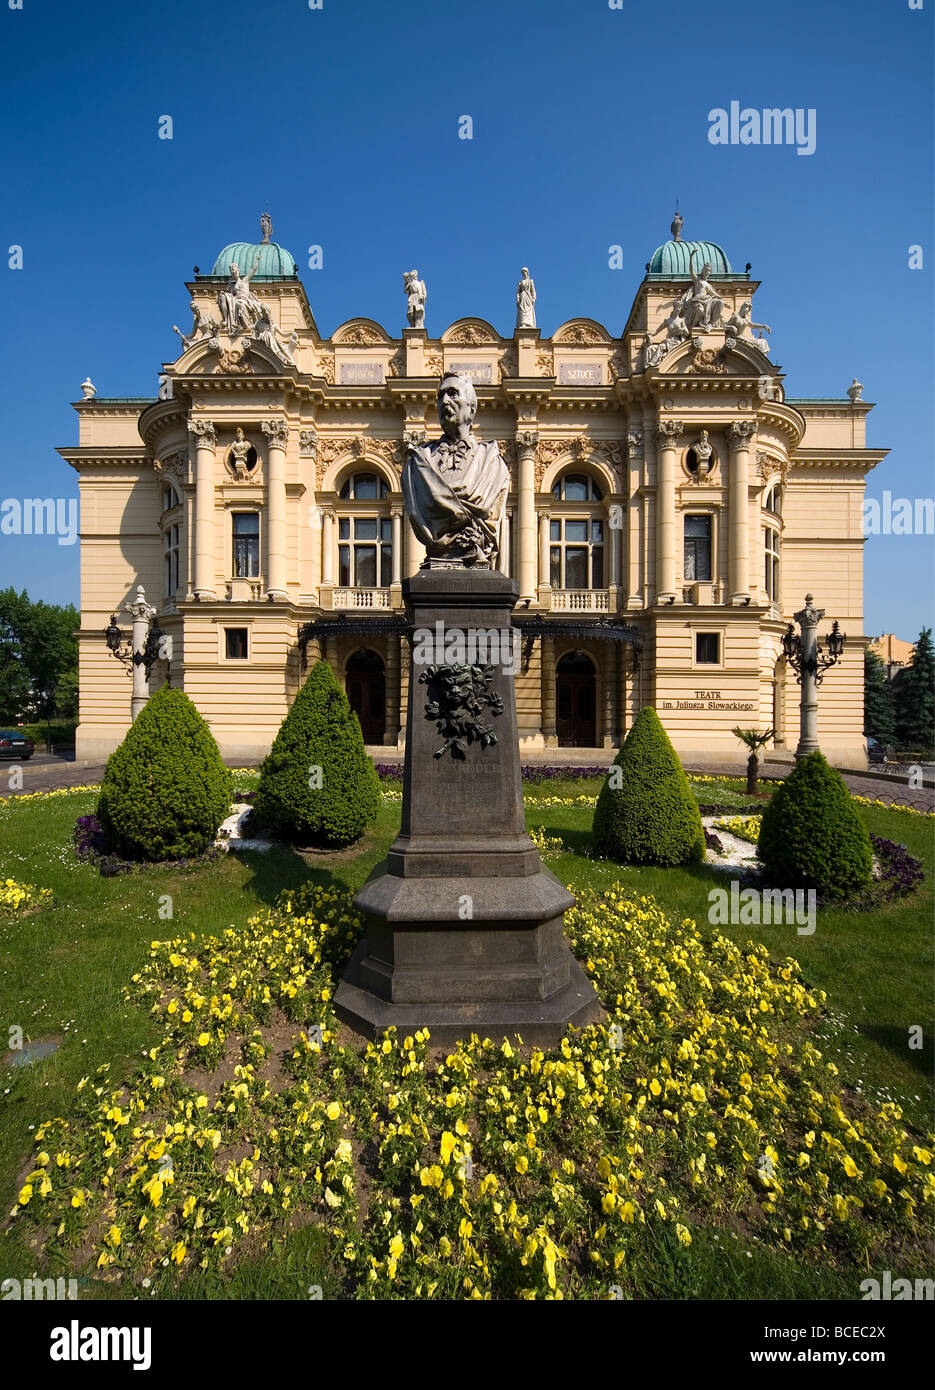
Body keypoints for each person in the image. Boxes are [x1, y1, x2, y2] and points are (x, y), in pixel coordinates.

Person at [402, 373, 509, 567]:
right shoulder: (418, 463)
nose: (444, 401)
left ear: (472, 408)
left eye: (452, 394)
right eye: (440, 396)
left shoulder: (493, 463)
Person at [217, 252, 263, 334]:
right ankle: (225, 320)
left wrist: (257, 260)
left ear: (238, 270)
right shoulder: (233, 286)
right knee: (224, 296)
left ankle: (245, 325)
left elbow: (253, 270)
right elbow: (231, 295)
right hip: (236, 301)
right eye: (232, 271)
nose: (233, 272)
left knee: (240, 304)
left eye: (234, 270)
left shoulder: (245, 280)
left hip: (245, 301)